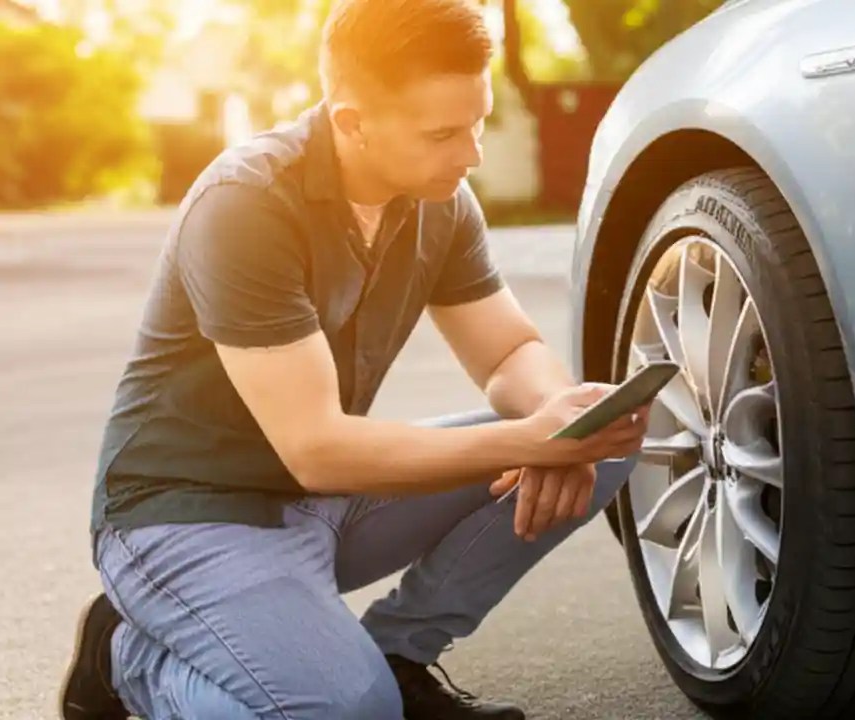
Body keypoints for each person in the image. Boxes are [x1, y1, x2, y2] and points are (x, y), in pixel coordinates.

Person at [58, 1, 651, 718]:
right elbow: (315, 447)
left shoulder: (442, 202)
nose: (471, 154)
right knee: (347, 712)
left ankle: (399, 656)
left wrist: (565, 427)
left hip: (322, 507)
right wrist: (534, 439)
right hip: (183, 517)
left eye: (477, 122)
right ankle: (127, 658)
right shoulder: (246, 204)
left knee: (601, 443)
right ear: (352, 122)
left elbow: (508, 353)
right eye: (442, 133)